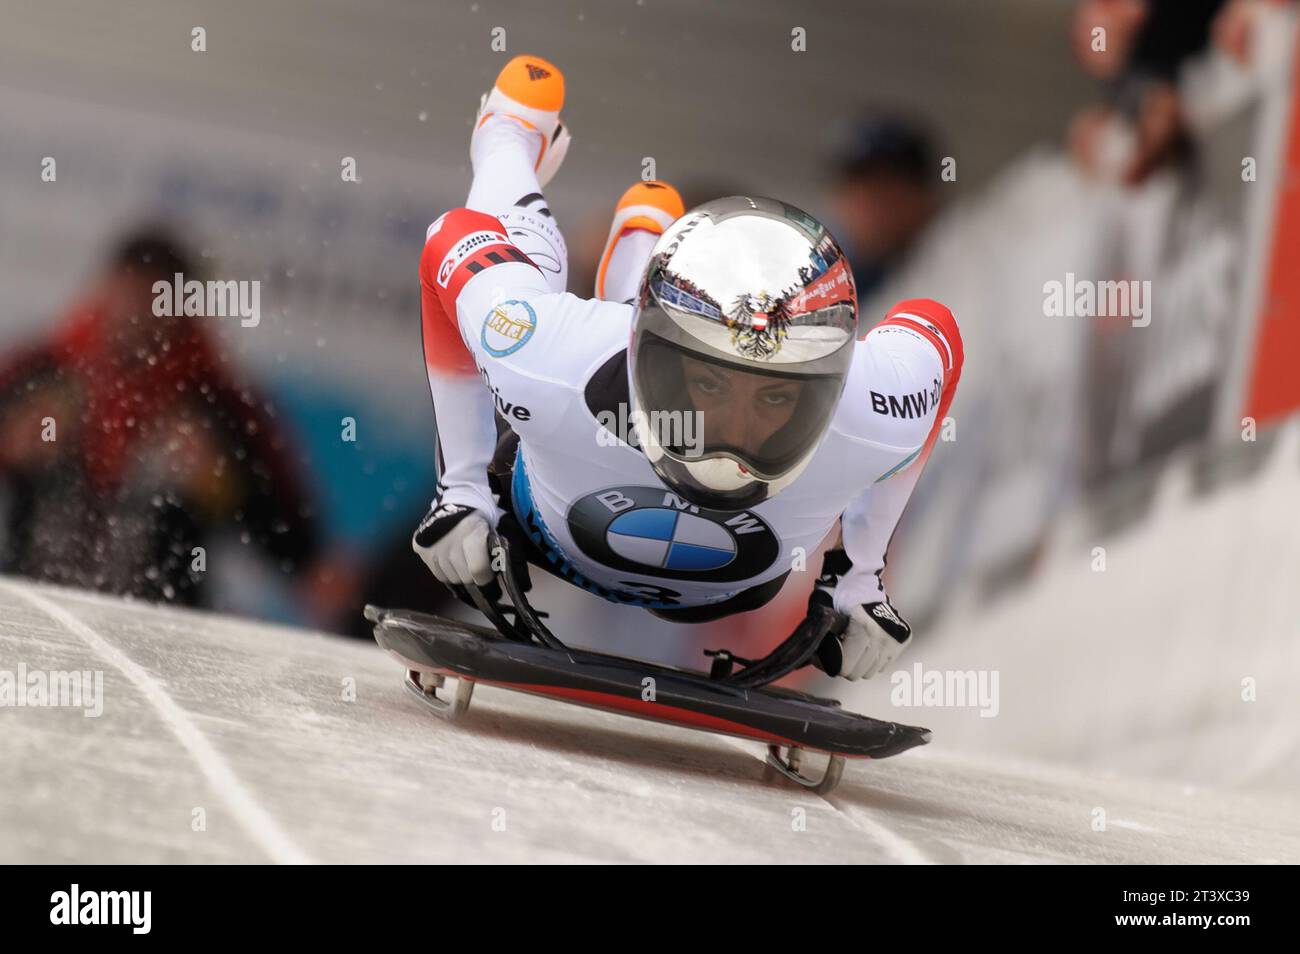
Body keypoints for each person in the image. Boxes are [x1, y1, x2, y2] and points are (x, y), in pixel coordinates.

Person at [413, 57, 964, 682]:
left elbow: (938, 340)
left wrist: (860, 574)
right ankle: (510, 134)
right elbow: (451, 238)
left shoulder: (870, 407)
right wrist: (460, 488)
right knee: (520, 272)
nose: (734, 430)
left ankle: (639, 248)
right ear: (649, 355)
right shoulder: (552, 359)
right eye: (709, 385)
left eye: (776, 397)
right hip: (573, 528)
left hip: (590, 541)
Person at [0, 227, 321, 606]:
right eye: (128, 296)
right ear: (104, 293)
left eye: (153, 301)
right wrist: (10, 447)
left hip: (162, 627)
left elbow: (298, 548)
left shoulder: (216, 400)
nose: (136, 315)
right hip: (31, 609)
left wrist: (223, 488)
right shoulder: (43, 372)